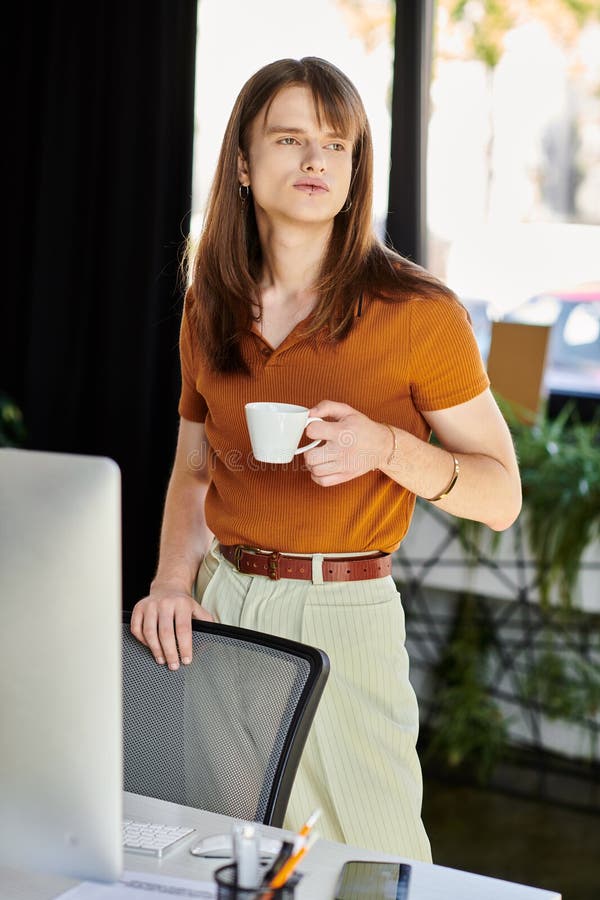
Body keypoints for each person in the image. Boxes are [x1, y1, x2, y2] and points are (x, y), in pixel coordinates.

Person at [130, 56, 521, 861]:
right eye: (289, 138)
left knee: (373, 859)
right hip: (222, 608)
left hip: (345, 615)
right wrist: (172, 582)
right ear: (243, 163)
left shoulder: (418, 313)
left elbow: (500, 496)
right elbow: (195, 469)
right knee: (231, 853)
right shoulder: (210, 304)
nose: (315, 159)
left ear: (353, 169)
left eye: (336, 144)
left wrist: (385, 447)